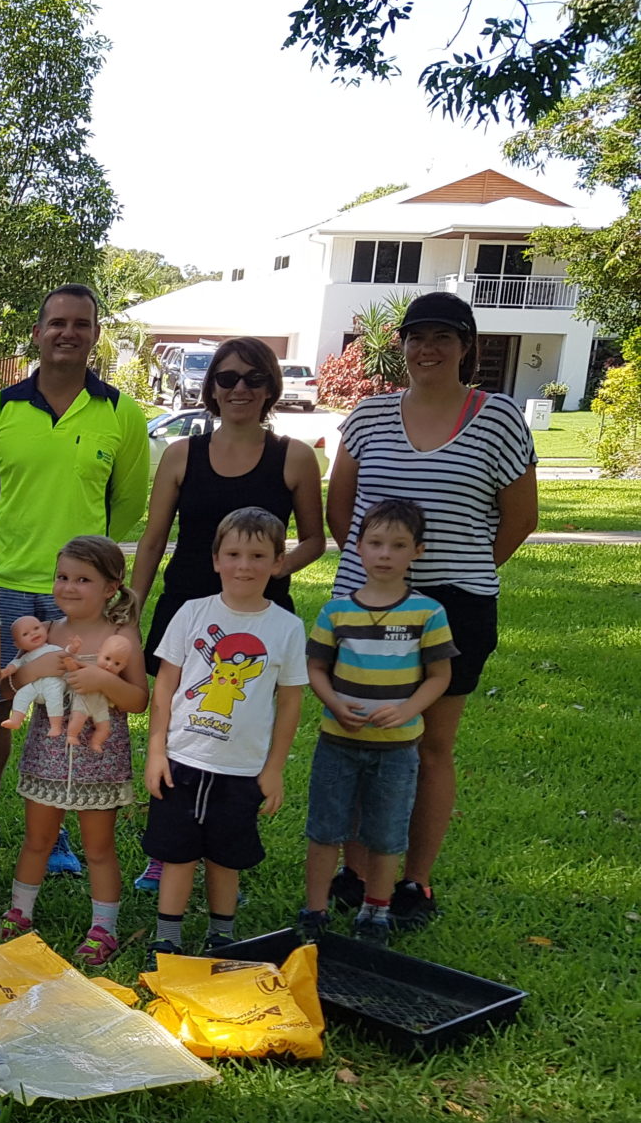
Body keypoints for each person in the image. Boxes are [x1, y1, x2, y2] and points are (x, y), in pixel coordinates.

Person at [323, 290, 537, 927]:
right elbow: (342, 510)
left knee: (430, 745)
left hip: (456, 605)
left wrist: (462, 574)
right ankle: (356, 874)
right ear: (403, 347)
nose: (429, 348)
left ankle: (415, 882)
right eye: (417, 337)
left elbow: (521, 519)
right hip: (365, 604)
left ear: (466, 346)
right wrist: (377, 579)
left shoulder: (497, 417)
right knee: (360, 731)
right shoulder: (367, 415)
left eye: (444, 336)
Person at [0, 285, 150, 868]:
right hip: (7, 583)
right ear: (38, 332)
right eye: (57, 323)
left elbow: (126, 505)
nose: (68, 333)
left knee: (71, 705)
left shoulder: (122, 413)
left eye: (81, 323)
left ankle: (60, 832)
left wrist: (90, 573)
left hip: (83, 598)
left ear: (95, 333)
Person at [128, 334, 325, 892]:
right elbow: (152, 539)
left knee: (236, 723)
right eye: (227, 377)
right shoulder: (180, 454)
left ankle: (222, 837)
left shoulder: (294, 456)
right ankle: (167, 846)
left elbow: (315, 539)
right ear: (210, 387)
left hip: (257, 616)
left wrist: (269, 571)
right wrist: (134, 607)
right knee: (175, 722)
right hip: (187, 612)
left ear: (270, 388)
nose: (240, 388)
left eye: (254, 378)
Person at [142, 507, 308, 958]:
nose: (244, 565)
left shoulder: (287, 628)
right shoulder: (191, 613)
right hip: (183, 760)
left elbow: (290, 702)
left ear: (277, 563)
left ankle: (222, 934)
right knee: (177, 855)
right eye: (233, 553)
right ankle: (168, 937)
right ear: (215, 559)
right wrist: (156, 751)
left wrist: (273, 769)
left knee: (226, 857)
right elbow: (165, 688)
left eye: (258, 555)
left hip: (243, 768)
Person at [0, 537, 149, 967]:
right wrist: (36, 668)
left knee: (99, 847)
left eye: (82, 579)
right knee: (38, 839)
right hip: (48, 754)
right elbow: (11, 687)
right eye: (62, 577)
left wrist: (104, 682)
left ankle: (103, 929)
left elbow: (138, 700)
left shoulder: (121, 635)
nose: (69, 587)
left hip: (100, 759)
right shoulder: (47, 631)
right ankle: (20, 912)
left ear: (111, 587)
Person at [297, 500, 456, 945]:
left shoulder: (429, 613)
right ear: (359, 549)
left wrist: (408, 710)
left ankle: (376, 911)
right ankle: (314, 910)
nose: (385, 554)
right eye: (376, 543)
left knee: (387, 833)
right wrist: (332, 702)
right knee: (326, 827)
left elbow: (440, 675)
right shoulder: (336, 612)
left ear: (417, 552)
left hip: (397, 747)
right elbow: (316, 669)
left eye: (398, 545)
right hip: (337, 741)